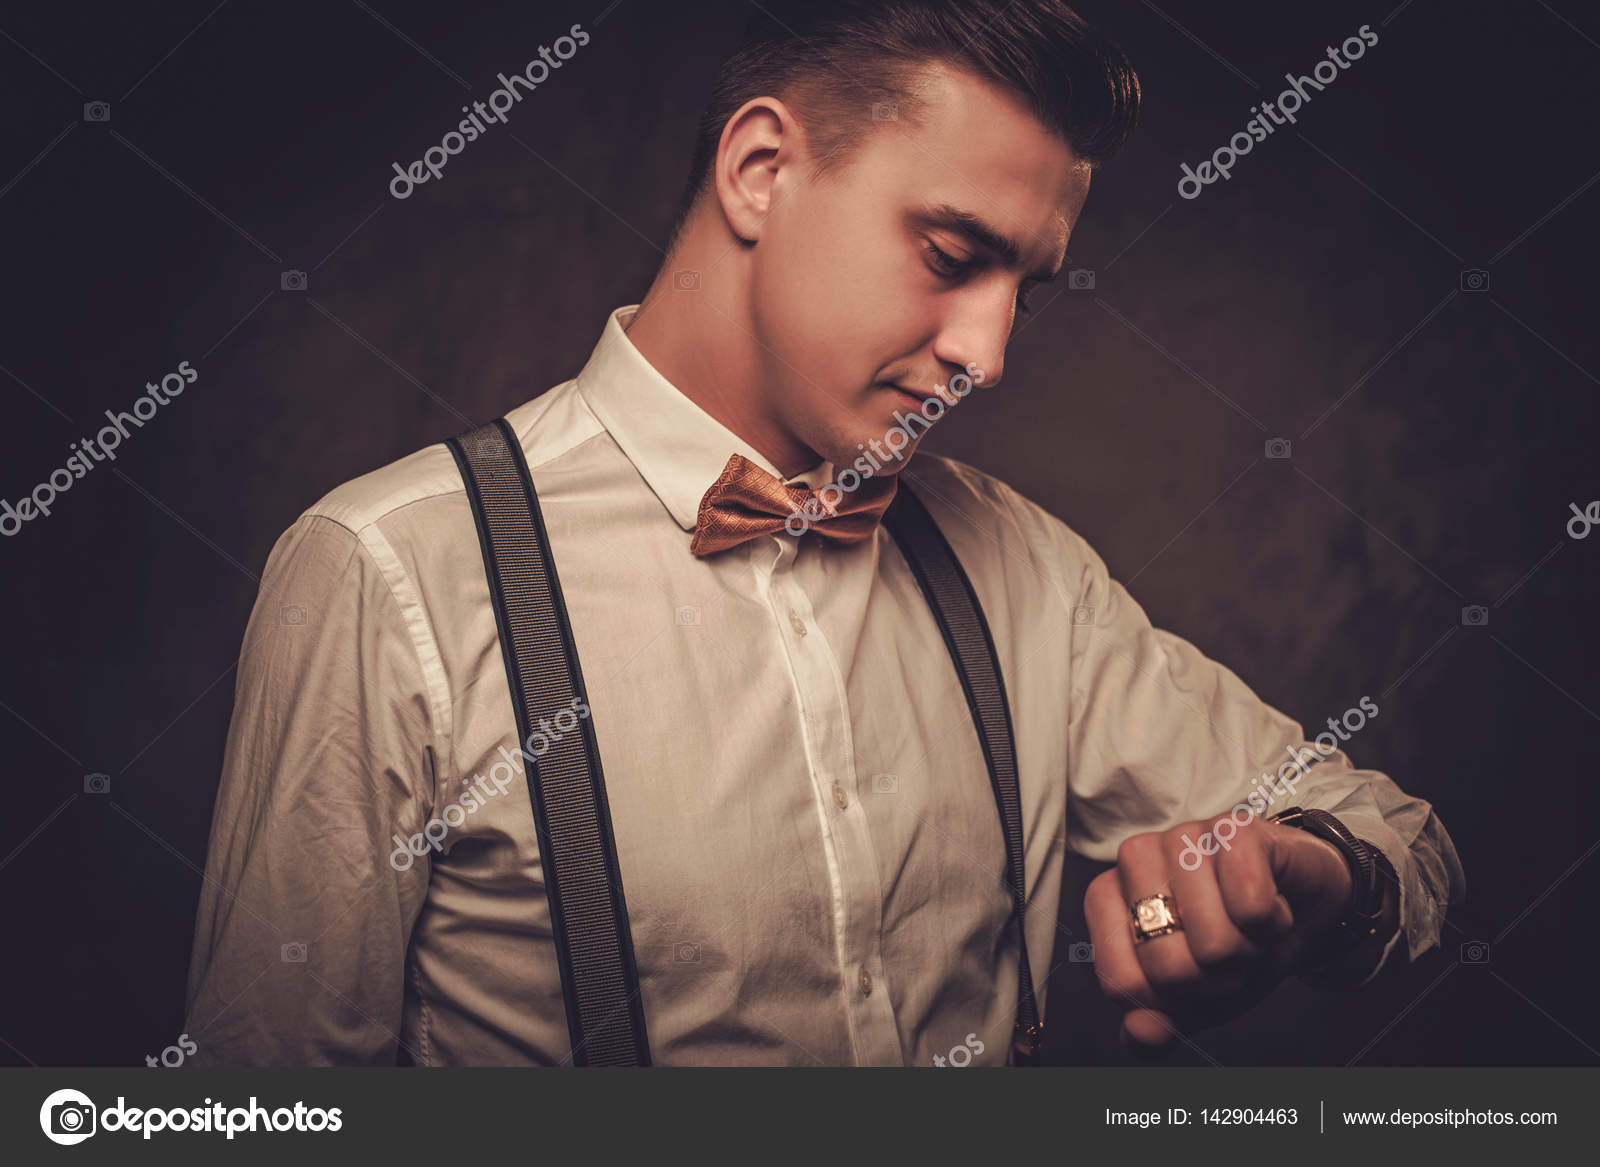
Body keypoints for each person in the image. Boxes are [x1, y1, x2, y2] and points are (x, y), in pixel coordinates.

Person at [183, 0, 1462, 1066]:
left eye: (1026, 287)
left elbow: (1403, 838)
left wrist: (1304, 881)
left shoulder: (1022, 572)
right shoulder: (390, 572)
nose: (990, 351)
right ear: (759, 171)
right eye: (953, 254)